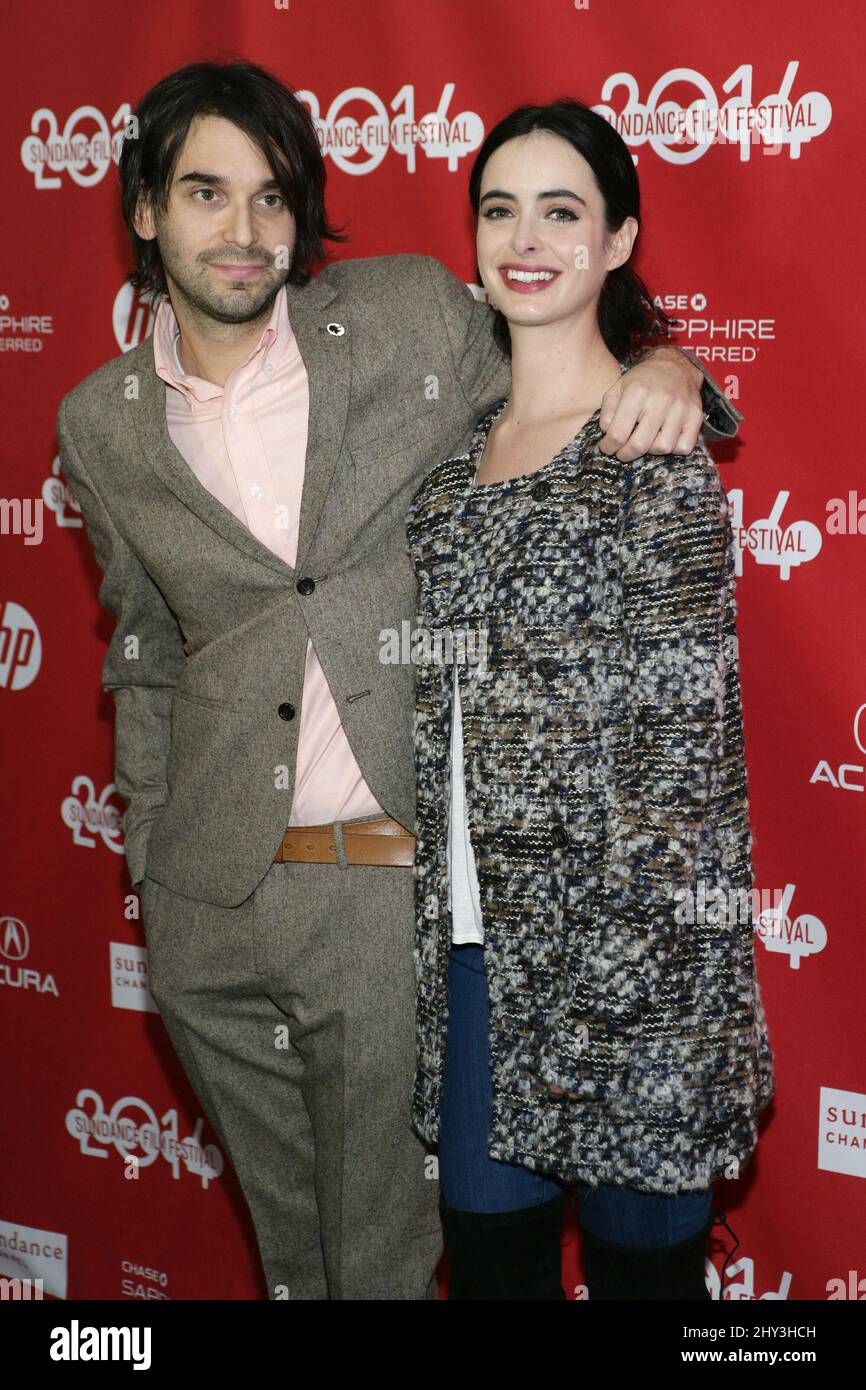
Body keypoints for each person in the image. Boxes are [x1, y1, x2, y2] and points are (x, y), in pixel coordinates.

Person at [57, 60, 740, 1301]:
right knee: (297, 1255)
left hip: (387, 898)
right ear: (145, 210)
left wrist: (674, 362)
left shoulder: (402, 322)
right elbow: (142, 645)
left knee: (391, 1258)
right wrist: (152, 861)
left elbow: (564, 331)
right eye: (206, 193)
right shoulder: (98, 423)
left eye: (271, 198)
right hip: (216, 906)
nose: (244, 228)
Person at [405, 98, 775, 1301]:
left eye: (560, 211)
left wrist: (603, 1001)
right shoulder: (451, 469)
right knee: (491, 1266)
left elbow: (682, 771)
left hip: (634, 974)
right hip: (475, 952)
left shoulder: (649, 452)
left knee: (644, 1292)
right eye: (499, 208)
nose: (525, 237)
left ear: (617, 238)